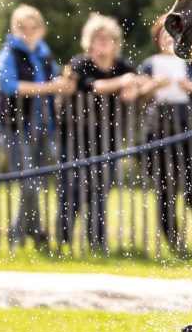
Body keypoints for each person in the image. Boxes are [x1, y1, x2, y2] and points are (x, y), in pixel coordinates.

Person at [53, 14, 139, 249]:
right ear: (89, 42)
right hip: (75, 136)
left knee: (100, 190)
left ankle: (97, 241)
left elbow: (137, 83)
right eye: (99, 38)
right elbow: (93, 86)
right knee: (72, 188)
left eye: (108, 38)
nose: (104, 42)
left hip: (107, 139)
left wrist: (133, 88)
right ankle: (63, 238)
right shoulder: (80, 63)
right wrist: (123, 82)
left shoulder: (122, 66)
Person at [138, 15, 192, 250]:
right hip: (159, 131)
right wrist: (153, 85)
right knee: (164, 187)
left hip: (190, 130)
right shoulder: (149, 64)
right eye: (163, 35)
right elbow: (139, 96)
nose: (167, 39)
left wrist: (189, 86)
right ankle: (173, 242)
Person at [0, 4, 60, 245]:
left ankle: (33, 231)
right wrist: (48, 88)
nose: (28, 31)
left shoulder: (44, 54)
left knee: (36, 181)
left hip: (42, 125)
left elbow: (55, 85)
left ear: (41, 29)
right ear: (14, 28)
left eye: (33, 26)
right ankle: (18, 234)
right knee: (29, 182)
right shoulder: (9, 53)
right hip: (16, 126)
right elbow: (9, 86)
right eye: (22, 26)